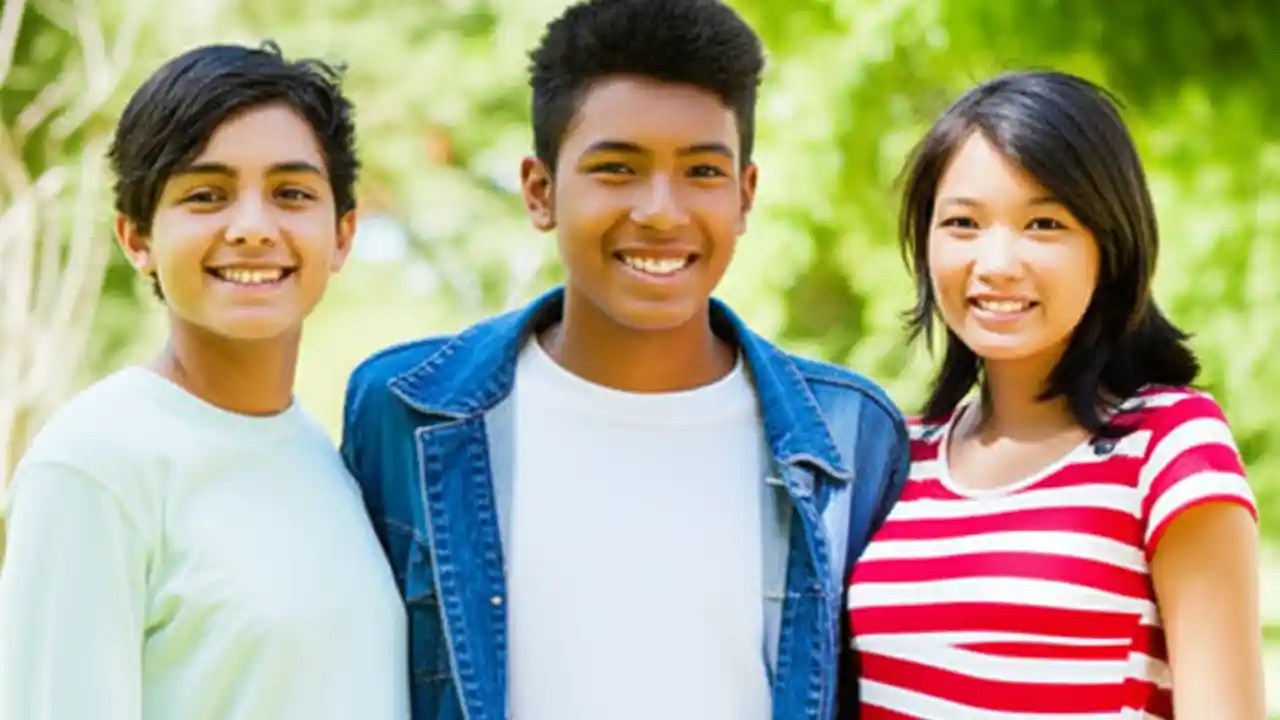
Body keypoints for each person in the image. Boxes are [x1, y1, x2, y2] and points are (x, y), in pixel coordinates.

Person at [340, 1, 908, 718]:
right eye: (616, 168)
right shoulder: (405, 413)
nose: (662, 212)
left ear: (745, 195)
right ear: (540, 191)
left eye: (702, 171)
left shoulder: (851, 434)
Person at [0, 42, 409, 720]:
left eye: (291, 193)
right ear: (136, 239)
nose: (252, 228)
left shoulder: (322, 456)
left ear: (342, 234)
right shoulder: (97, 463)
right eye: (206, 195)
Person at [846, 70, 1264, 719]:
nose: (998, 262)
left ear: (1111, 243)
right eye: (963, 223)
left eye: (1043, 223)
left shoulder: (1169, 446)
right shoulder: (896, 456)